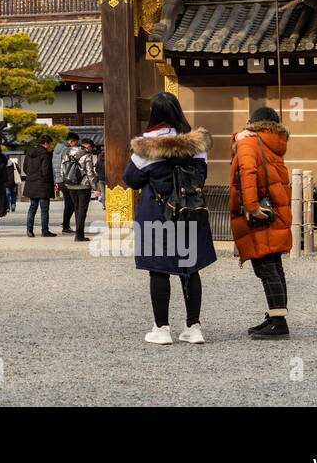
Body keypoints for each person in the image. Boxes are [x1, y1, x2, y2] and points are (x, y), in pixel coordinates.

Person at [122, 92, 216, 345]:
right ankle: (193, 328)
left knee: (159, 270)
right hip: (190, 211)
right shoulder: (196, 144)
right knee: (190, 269)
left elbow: (130, 180)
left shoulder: (146, 146)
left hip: (156, 212)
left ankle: (162, 329)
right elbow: (201, 177)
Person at [229, 106, 294, 339]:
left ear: (252, 123)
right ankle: (276, 315)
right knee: (274, 265)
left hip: (260, 214)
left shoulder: (250, 142)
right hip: (276, 210)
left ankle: (278, 324)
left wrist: (252, 206)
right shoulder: (275, 142)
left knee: (265, 267)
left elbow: (248, 171)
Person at [64, 136, 100, 241]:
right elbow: (90, 173)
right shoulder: (87, 155)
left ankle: (78, 233)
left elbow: (63, 168)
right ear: (90, 147)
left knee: (76, 208)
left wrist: (65, 182)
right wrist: (95, 188)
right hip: (83, 186)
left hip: (70, 185)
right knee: (82, 210)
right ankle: (79, 235)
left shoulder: (68, 152)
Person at [22, 134, 57, 237]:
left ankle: (29, 230)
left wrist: (32, 175)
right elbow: (46, 171)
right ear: (46, 143)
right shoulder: (45, 154)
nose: (50, 146)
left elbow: (25, 169)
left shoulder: (29, 152)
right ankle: (44, 231)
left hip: (31, 184)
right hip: (43, 185)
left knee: (32, 207)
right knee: (44, 209)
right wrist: (50, 183)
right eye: (50, 144)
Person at [53, 133, 83, 233]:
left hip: (60, 180)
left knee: (68, 203)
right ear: (71, 141)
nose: (76, 145)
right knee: (73, 203)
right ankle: (68, 226)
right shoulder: (66, 149)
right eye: (75, 142)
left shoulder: (57, 149)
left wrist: (56, 180)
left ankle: (66, 225)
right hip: (67, 179)